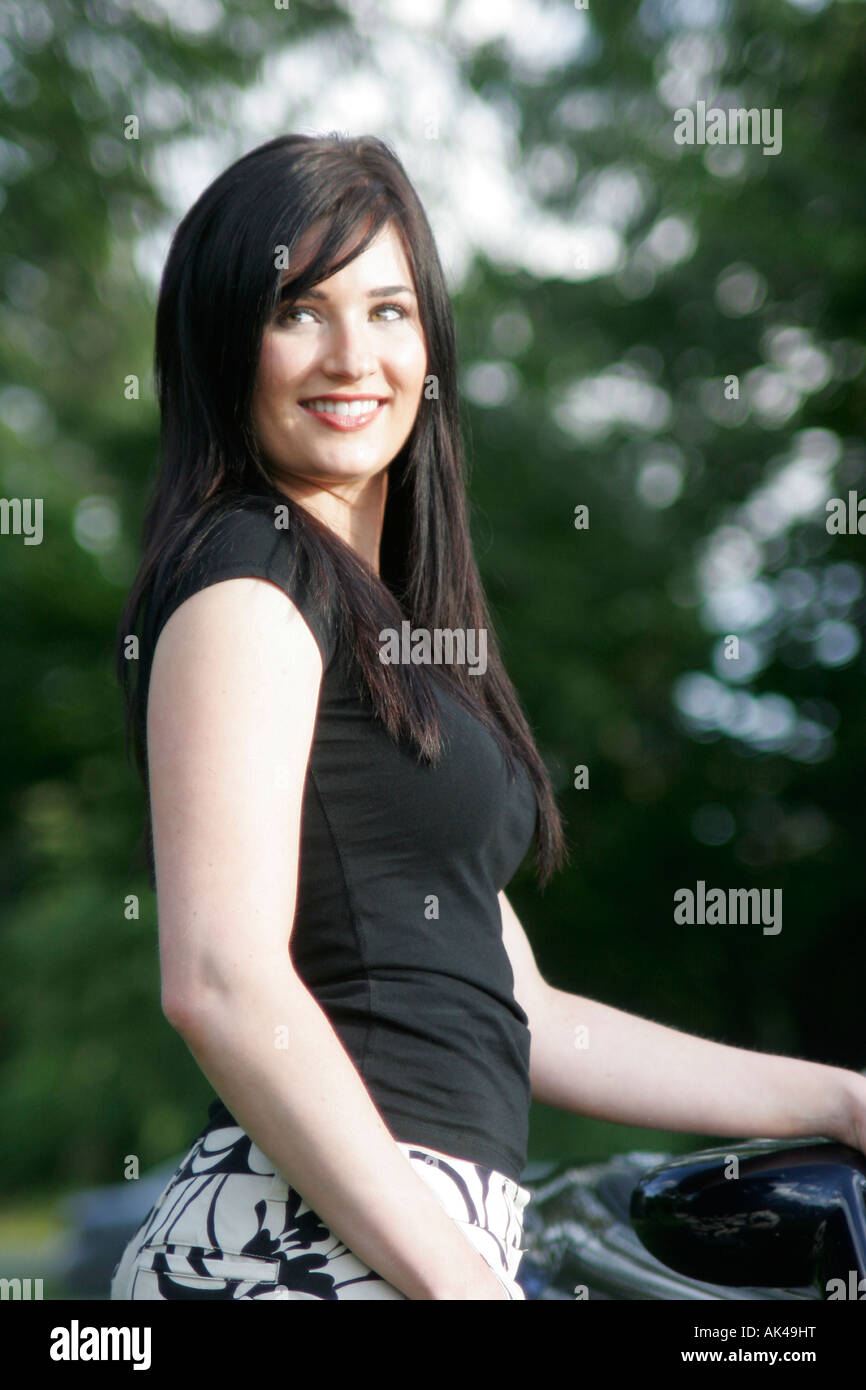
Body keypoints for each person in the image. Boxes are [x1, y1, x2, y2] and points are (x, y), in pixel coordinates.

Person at [111, 133, 866, 1302]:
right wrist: (459, 1283)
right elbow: (218, 978)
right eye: (300, 310)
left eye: (390, 310)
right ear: (225, 338)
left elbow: (528, 1014)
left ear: (428, 347)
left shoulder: (376, 626)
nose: (352, 355)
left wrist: (837, 1096)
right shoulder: (248, 574)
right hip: (299, 1247)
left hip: (402, 1238)